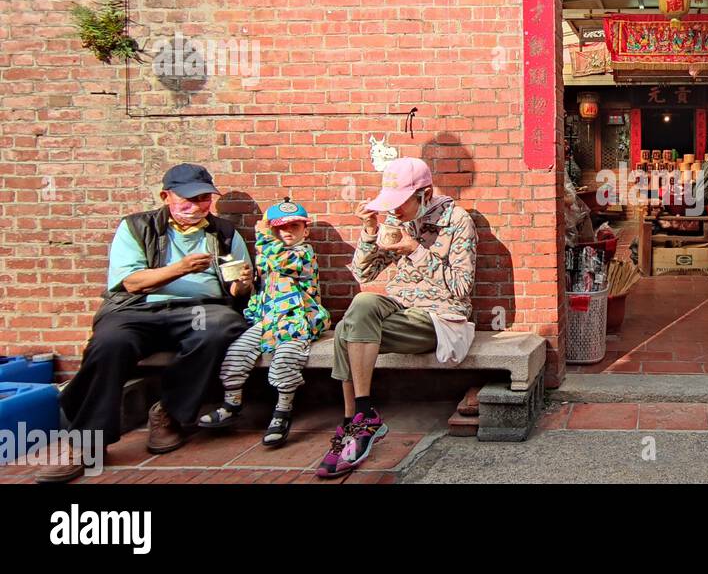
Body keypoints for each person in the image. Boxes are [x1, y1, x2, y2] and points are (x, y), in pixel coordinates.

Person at [39, 164, 253, 483]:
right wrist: (178, 269)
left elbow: (237, 289)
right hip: (139, 309)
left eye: (204, 198)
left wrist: (243, 285)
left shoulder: (223, 232)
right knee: (110, 342)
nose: (197, 206)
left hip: (200, 310)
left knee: (222, 326)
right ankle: (86, 442)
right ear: (166, 196)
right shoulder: (137, 227)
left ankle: (168, 413)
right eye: (189, 199)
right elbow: (131, 282)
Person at [316, 157, 477, 478]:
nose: (395, 210)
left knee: (348, 328)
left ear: (425, 194)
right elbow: (364, 272)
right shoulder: (397, 221)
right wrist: (369, 231)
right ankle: (360, 416)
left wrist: (415, 249)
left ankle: (354, 423)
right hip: (400, 309)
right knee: (361, 304)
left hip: (441, 318)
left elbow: (461, 287)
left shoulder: (458, 221)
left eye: (400, 202)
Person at [197, 198, 329, 447]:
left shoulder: (302, 253)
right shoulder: (267, 254)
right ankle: (231, 403)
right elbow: (262, 289)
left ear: (306, 230)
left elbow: (282, 261)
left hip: (296, 320)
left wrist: (264, 234)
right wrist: (247, 283)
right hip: (267, 321)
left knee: (285, 360)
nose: (286, 232)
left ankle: (282, 411)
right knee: (236, 353)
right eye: (279, 227)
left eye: (294, 227)